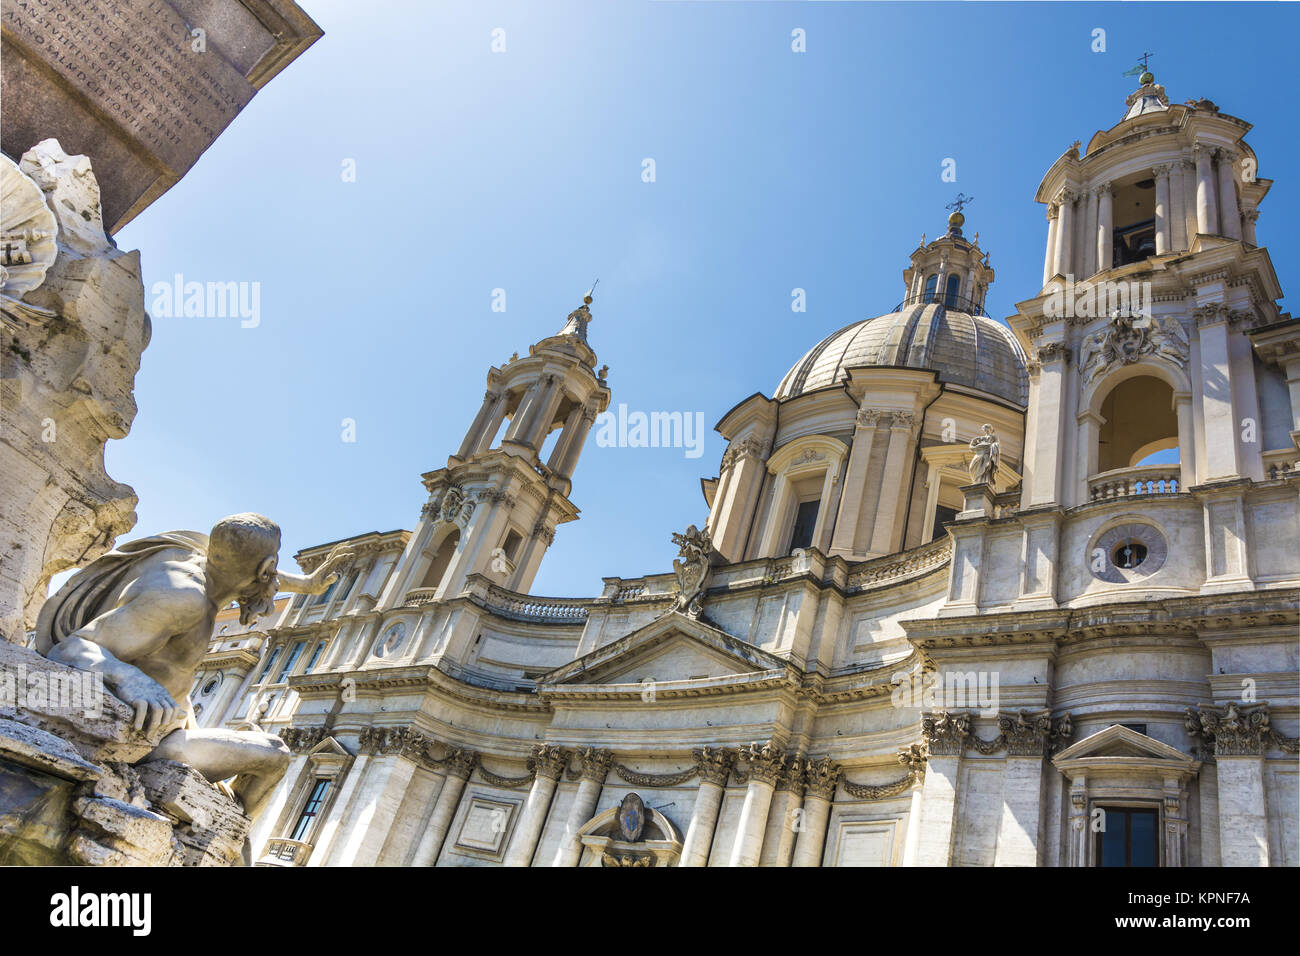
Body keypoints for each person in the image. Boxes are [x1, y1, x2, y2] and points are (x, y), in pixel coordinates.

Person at [35, 513, 351, 829]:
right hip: (149, 740)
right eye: (272, 568)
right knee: (275, 755)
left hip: (167, 726)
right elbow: (70, 648)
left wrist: (307, 585)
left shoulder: (199, 561)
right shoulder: (183, 598)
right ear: (263, 569)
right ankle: (229, 839)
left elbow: (261, 575)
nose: (275, 579)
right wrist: (130, 678)